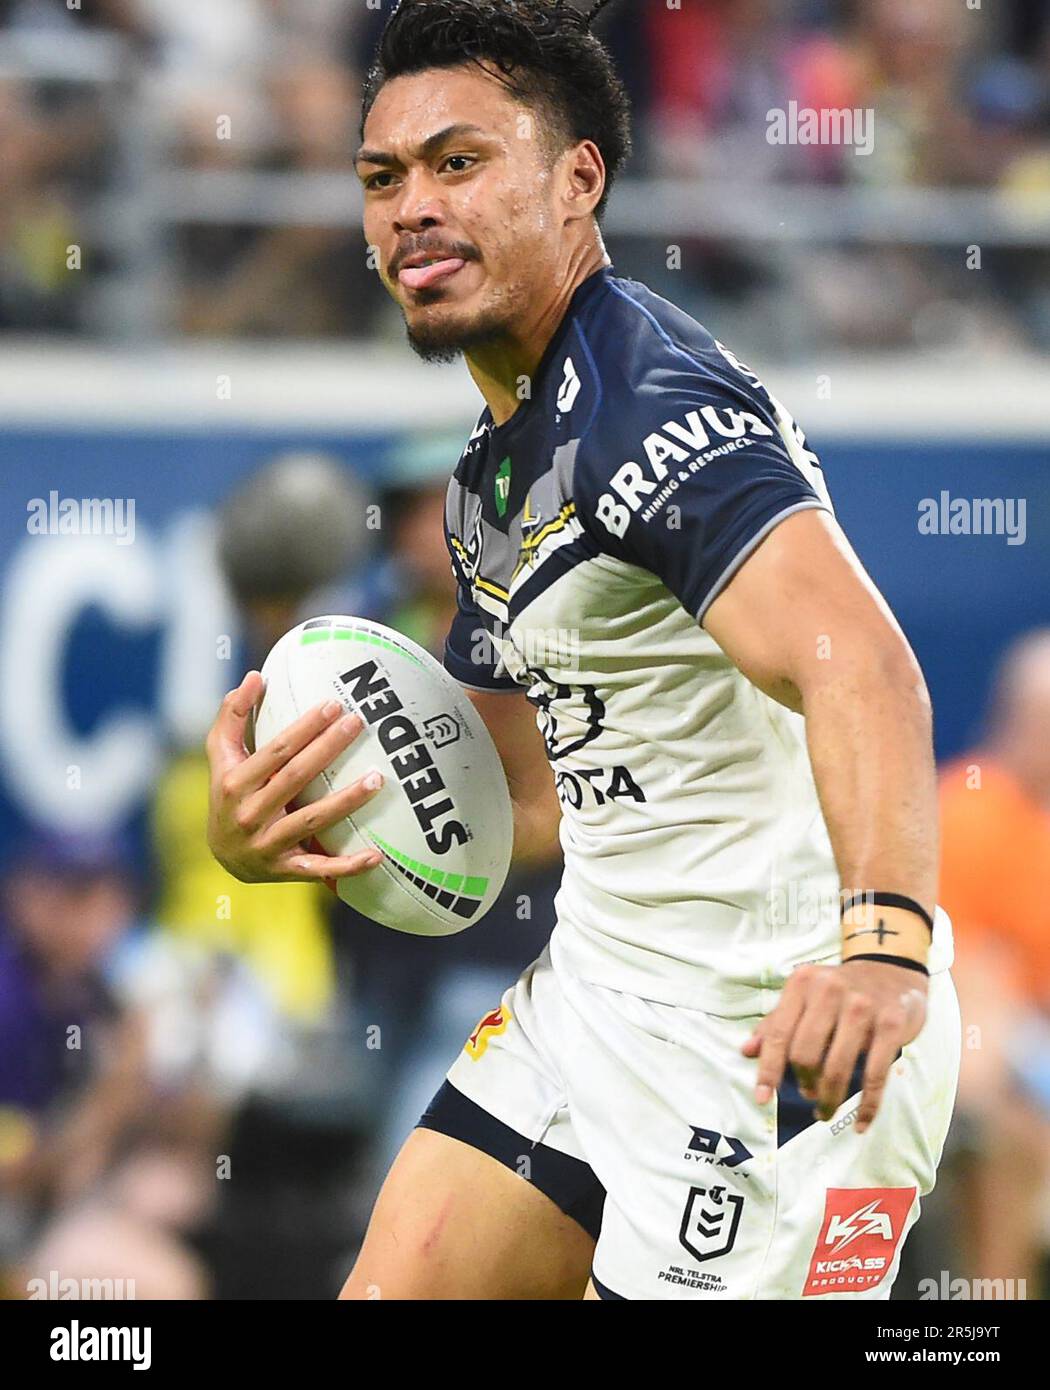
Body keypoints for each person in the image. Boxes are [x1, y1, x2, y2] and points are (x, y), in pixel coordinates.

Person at [206, 0, 960, 1301]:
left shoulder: (646, 403)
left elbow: (862, 665)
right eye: (382, 178)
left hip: (781, 1036)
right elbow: (528, 806)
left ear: (576, 179)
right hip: (599, 993)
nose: (409, 209)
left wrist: (884, 947)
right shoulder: (486, 485)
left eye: (459, 162)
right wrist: (287, 822)